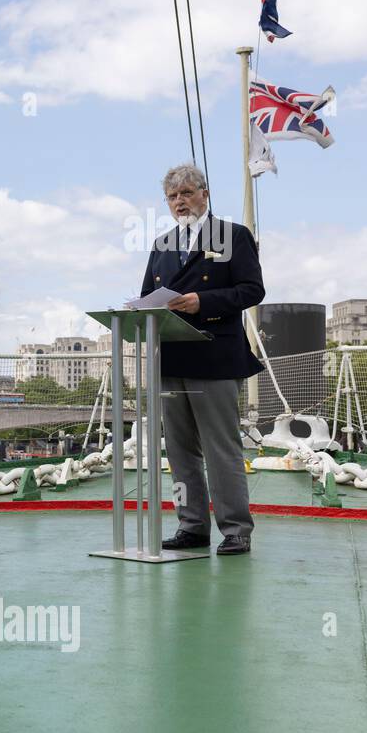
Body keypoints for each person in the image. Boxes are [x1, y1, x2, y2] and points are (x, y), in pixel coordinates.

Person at [144, 163, 264, 555]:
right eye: (172, 196)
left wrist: (204, 302)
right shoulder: (161, 246)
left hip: (214, 357)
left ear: (204, 194)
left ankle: (235, 529)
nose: (180, 202)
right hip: (173, 359)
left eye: (186, 193)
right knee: (179, 452)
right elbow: (147, 297)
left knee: (221, 449)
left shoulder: (233, 236)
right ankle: (191, 526)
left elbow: (252, 290)